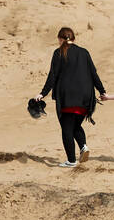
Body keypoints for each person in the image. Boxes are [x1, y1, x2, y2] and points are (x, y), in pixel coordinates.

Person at [38, 27, 105, 168]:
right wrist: (102, 90)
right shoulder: (84, 52)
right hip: (85, 98)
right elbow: (94, 73)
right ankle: (83, 147)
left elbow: (53, 76)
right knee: (75, 125)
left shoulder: (58, 53)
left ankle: (71, 160)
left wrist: (43, 93)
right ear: (73, 38)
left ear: (61, 39)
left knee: (66, 129)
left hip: (67, 97)